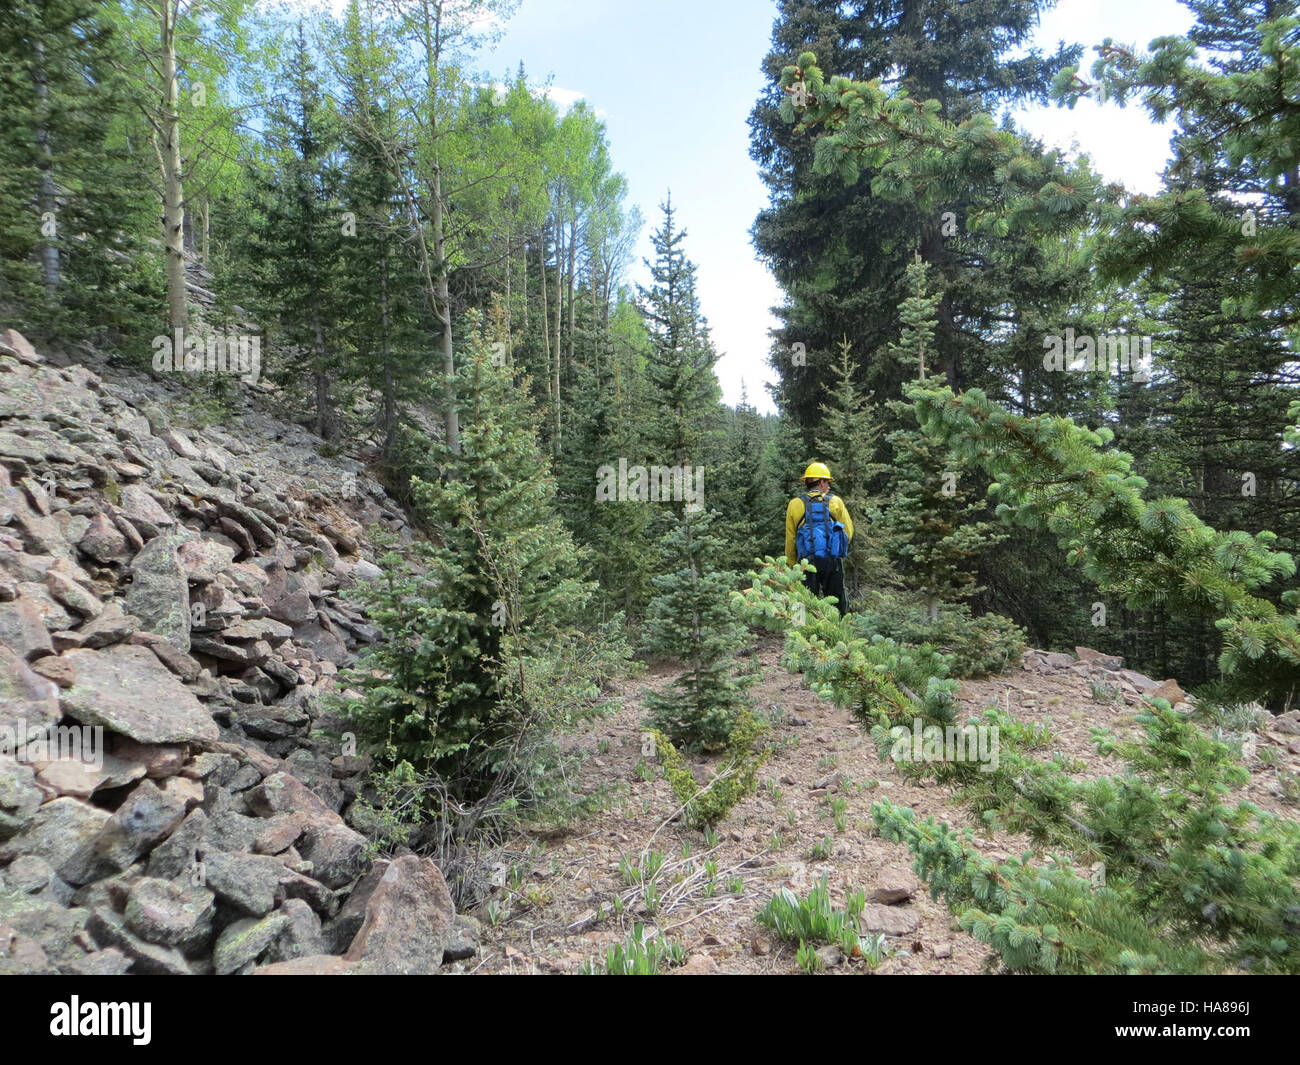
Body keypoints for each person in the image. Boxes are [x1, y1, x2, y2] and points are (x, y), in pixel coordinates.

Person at [786, 462, 854, 615]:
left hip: (806, 563)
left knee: (802, 605)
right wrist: (837, 551)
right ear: (821, 482)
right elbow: (848, 532)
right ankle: (839, 634)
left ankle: (799, 635)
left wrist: (792, 566)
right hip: (832, 561)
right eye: (828, 482)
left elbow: (790, 539)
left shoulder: (795, 504)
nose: (829, 486)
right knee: (837, 604)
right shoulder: (835, 502)